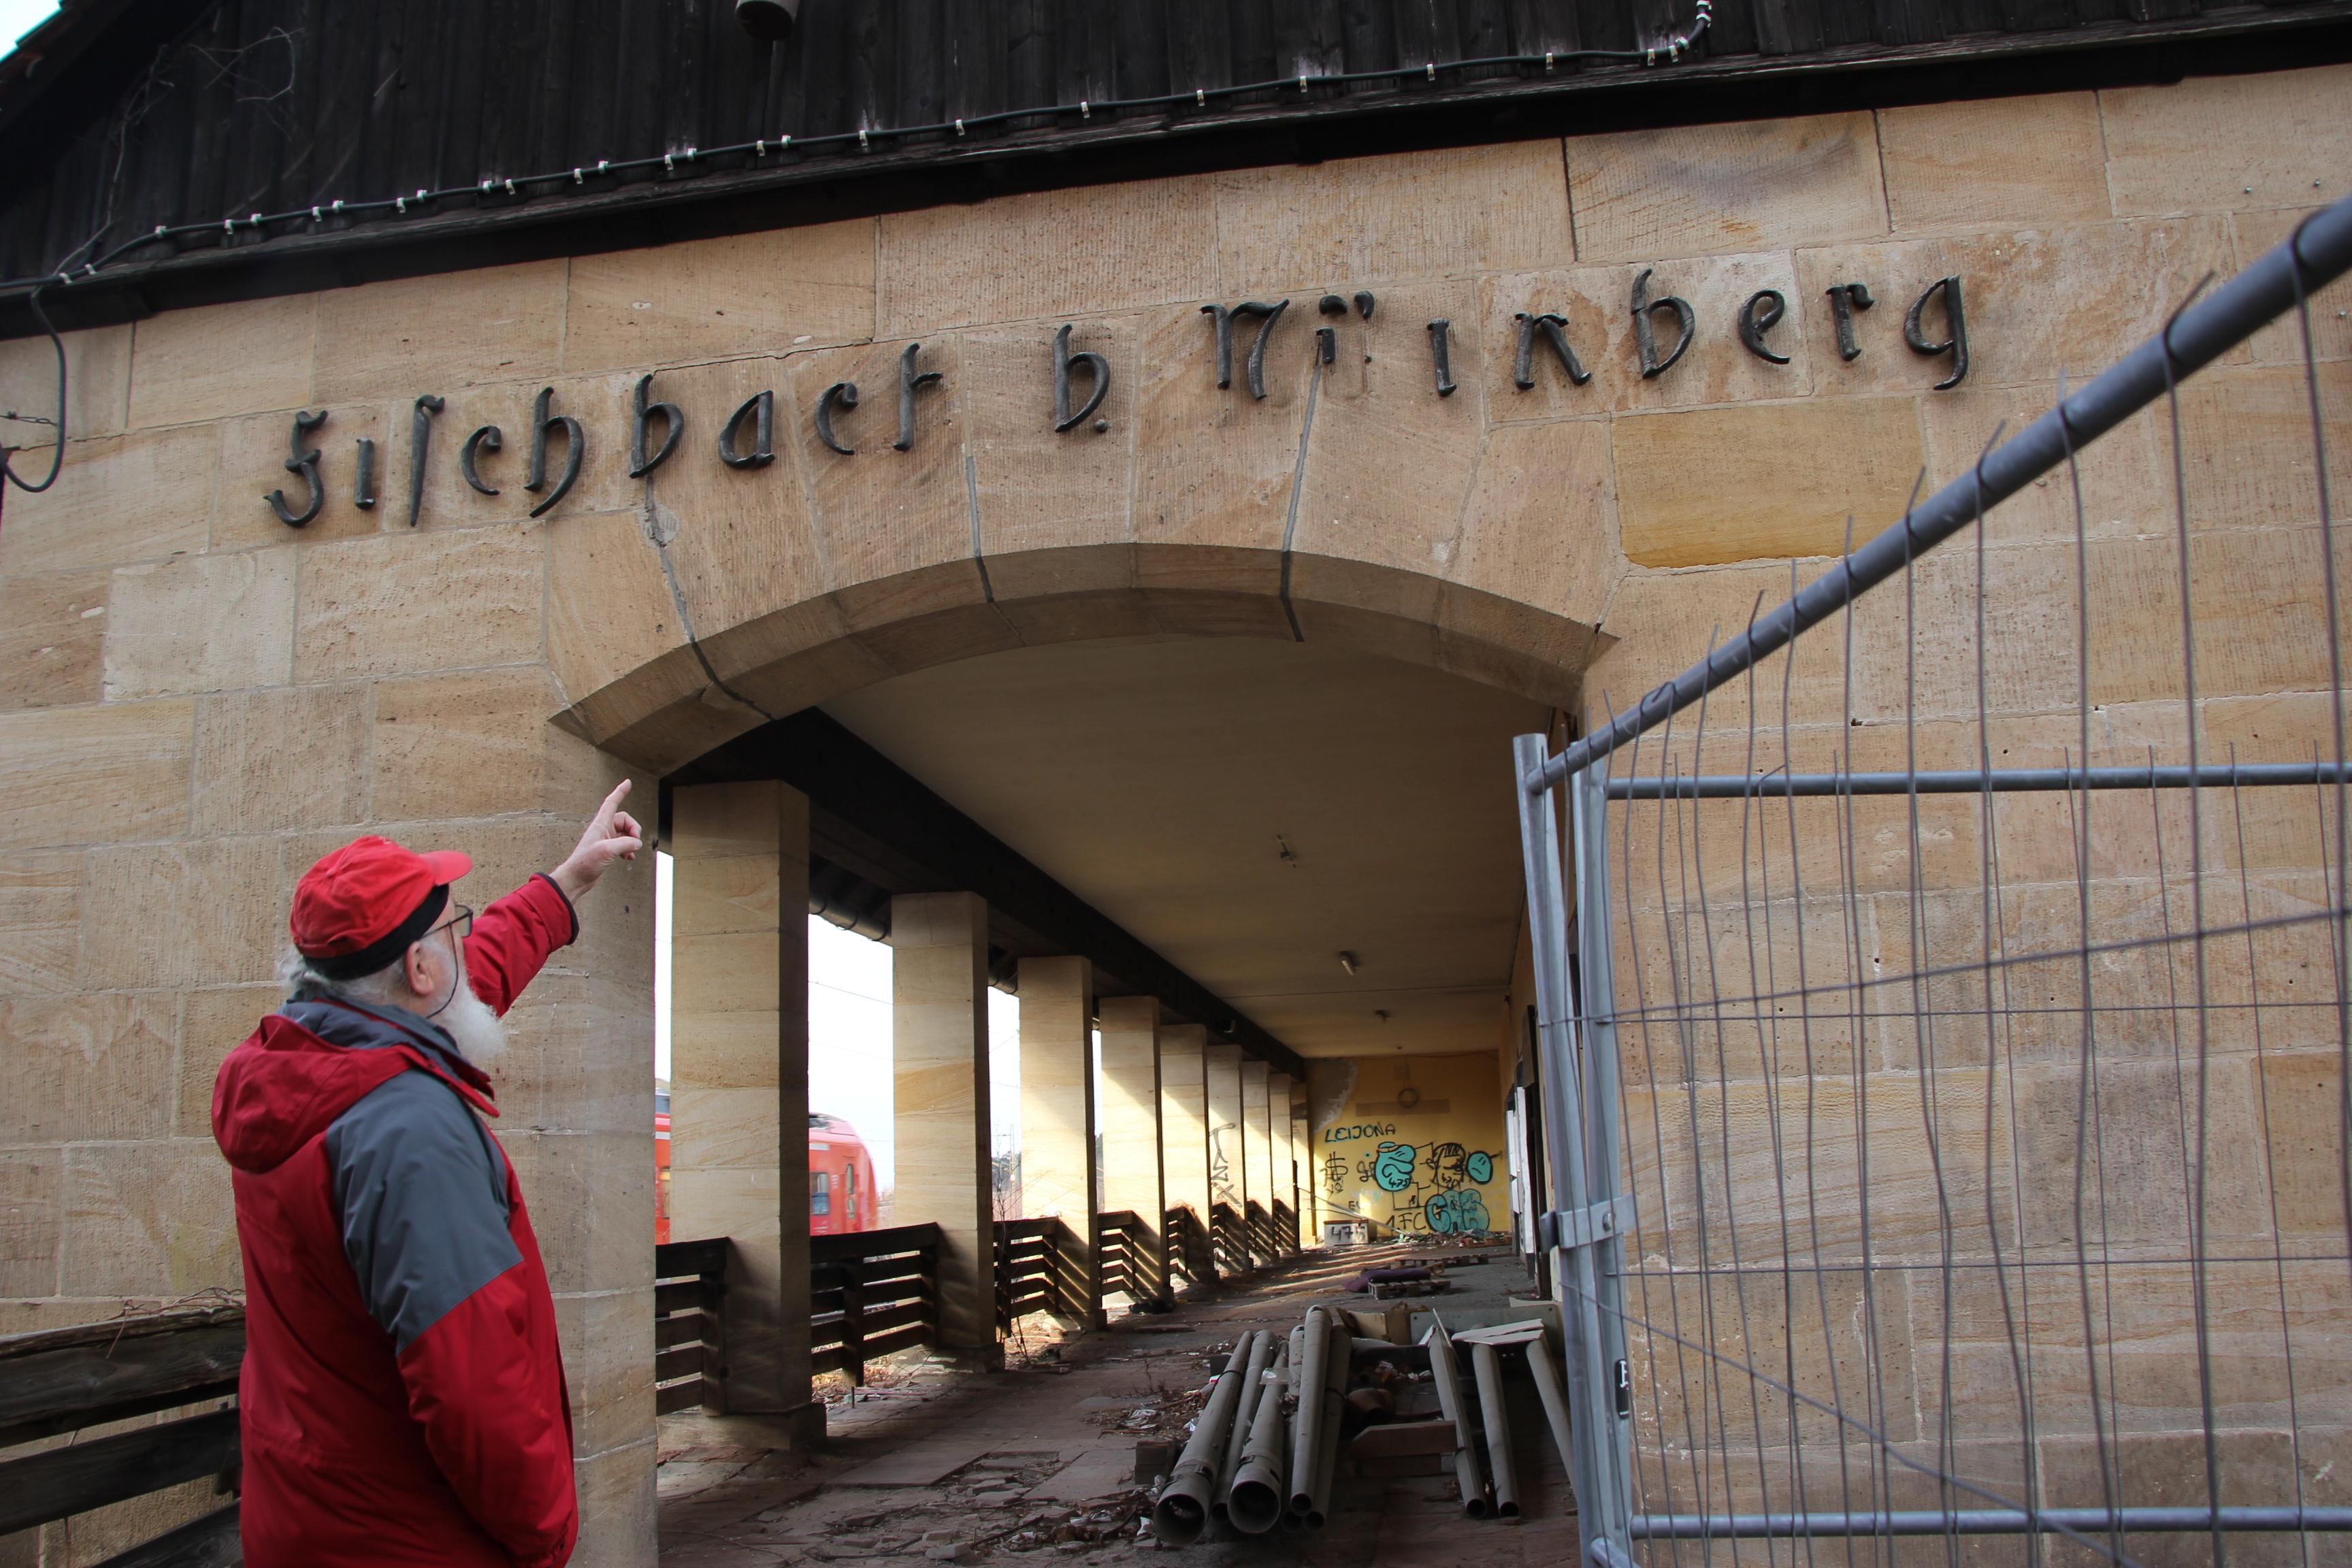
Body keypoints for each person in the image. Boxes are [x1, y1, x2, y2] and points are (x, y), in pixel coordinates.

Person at [210, 782, 644, 1568]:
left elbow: (460, 989)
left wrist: (568, 883)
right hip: (417, 1543)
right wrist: (545, 1536)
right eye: (453, 932)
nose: (463, 951)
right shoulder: (409, 1131)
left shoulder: (302, 1071)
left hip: (312, 1520)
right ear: (417, 969)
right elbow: (472, 1390)